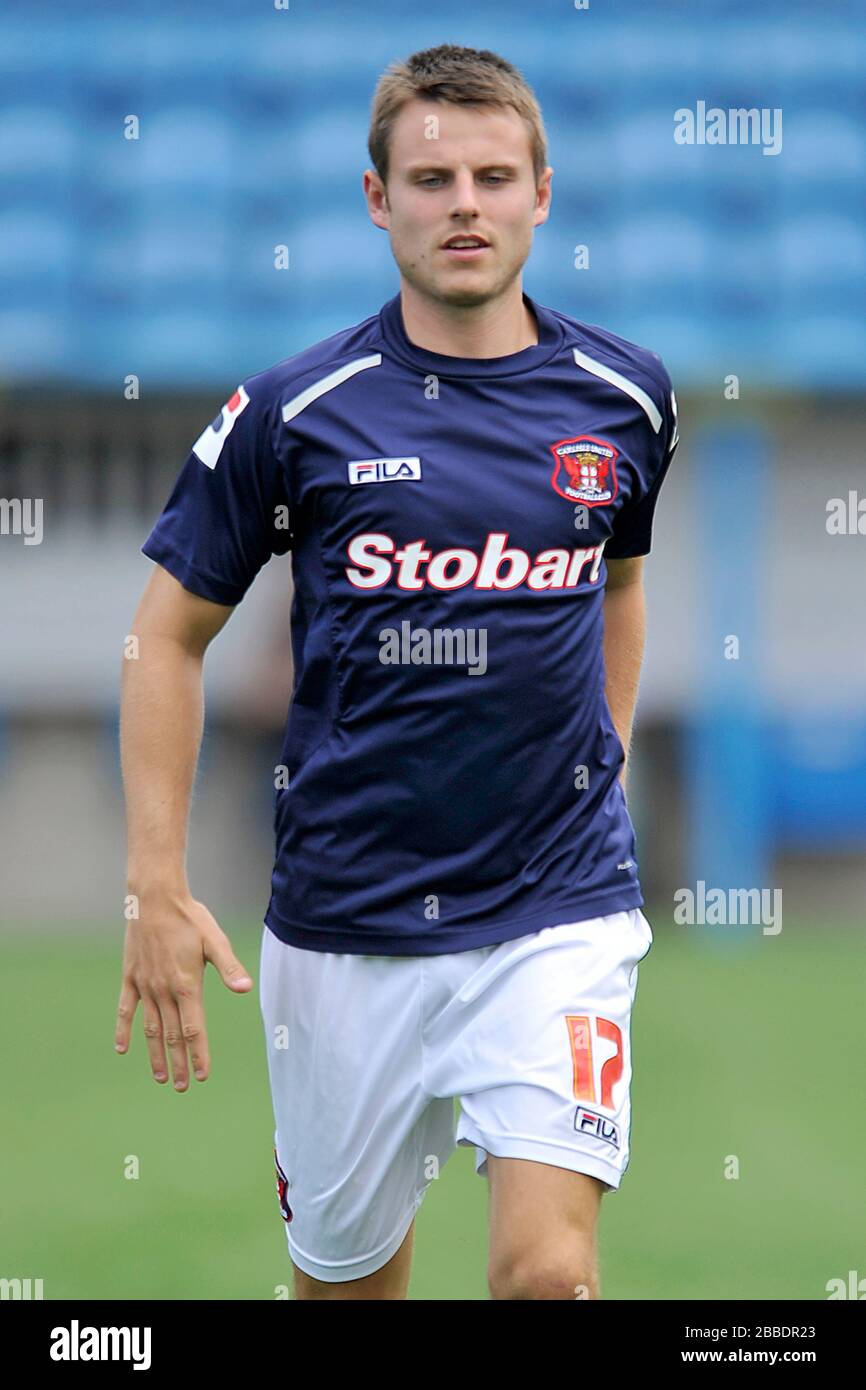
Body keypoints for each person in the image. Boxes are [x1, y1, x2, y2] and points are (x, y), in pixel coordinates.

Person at [116, 42, 679, 1301]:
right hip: (344, 927)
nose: (463, 204)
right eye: (431, 180)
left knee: (548, 1278)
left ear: (543, 191)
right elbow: (164, 635)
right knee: (348, 1288)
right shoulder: (292, 409)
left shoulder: (624, 400)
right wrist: (155, 886)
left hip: (556, 910)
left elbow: (620, 584)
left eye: (492, 175)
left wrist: (605, 760)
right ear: (379, 200)